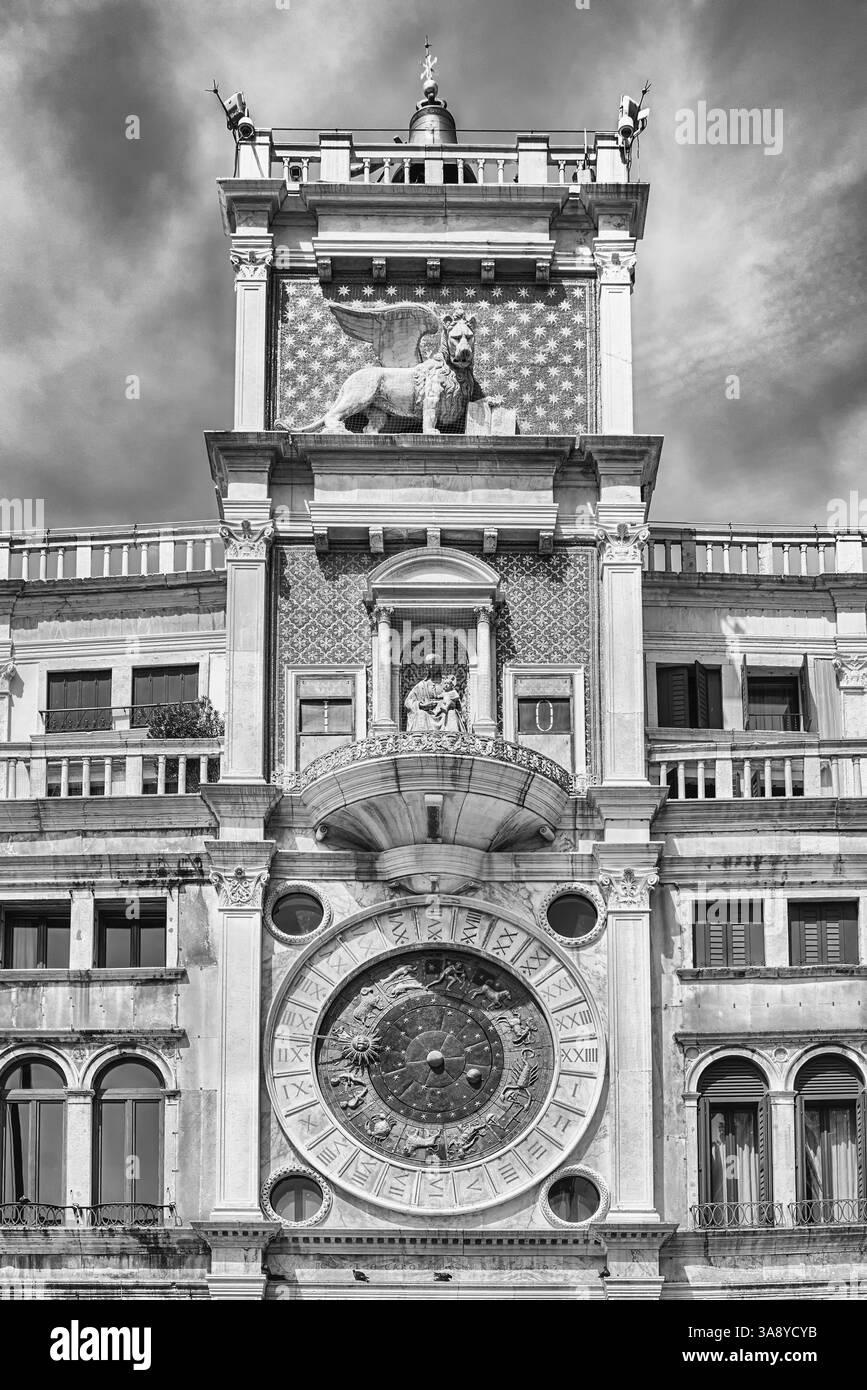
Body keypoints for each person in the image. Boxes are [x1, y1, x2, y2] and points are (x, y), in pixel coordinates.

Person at [405, 655, 443, 731]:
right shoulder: (421, 685)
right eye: (428, 665)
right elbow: (408, 702)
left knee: (452, 713)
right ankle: (421, 740)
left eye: (433, 664)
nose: (431, 667)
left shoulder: (446, 683)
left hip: (443, 714)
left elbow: (455, 700)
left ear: (439, 665)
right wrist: (421, 705)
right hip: (426, 713)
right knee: (421, 714)